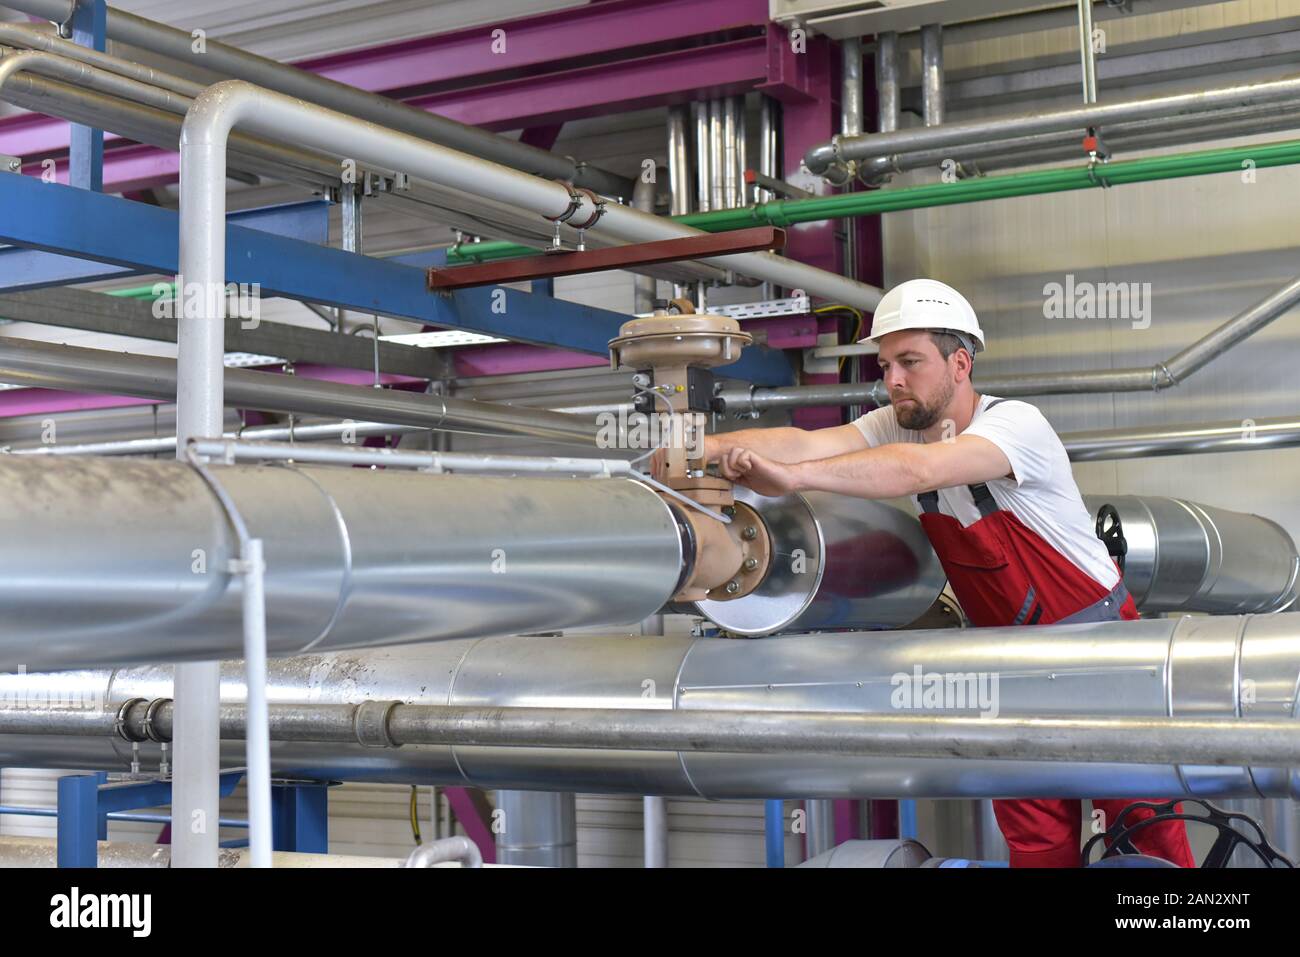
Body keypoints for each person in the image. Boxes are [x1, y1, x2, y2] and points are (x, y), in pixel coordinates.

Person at [693, 278, 1194, 868]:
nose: (893, 379)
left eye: (910, 362)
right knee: (1036, 841)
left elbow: (917, 469)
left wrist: (795, 479)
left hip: (1101, 653)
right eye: (885, 365)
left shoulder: (1015, 426)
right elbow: (804, 441)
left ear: (960, 363)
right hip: (1005, 664)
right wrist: (704, 448)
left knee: (1146, 826)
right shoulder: (894, 424)